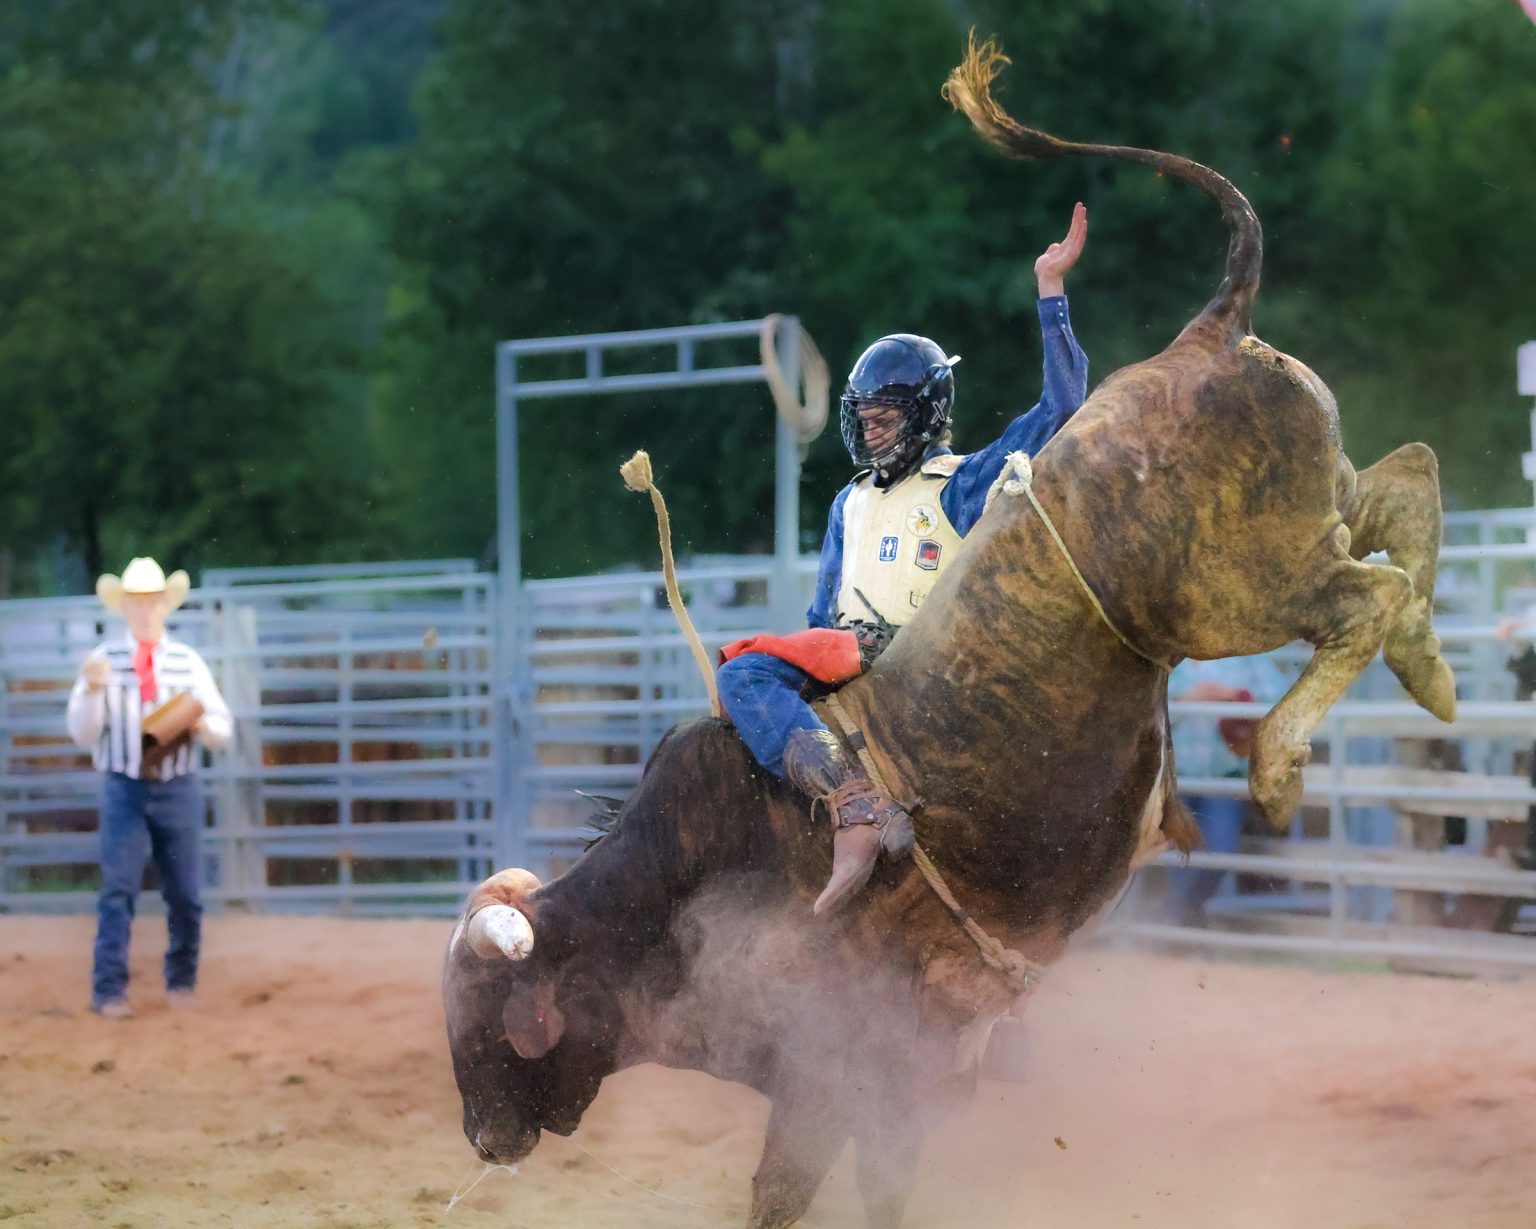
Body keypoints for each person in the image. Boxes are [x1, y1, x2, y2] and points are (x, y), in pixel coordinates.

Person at [717, 203, 1091, 914]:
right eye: (862, 414)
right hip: (847, 654)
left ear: (922, 413)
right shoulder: (848, 501)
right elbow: (820, 614)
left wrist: (1051, 292)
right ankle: (850, 805)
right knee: (745, 676)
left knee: (748, 673)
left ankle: (858, 812)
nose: (868, 426)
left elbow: (1062, 406)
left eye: (883, 414)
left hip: (930, 657)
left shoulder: (960, 482)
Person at [67, 557, 233, 1019]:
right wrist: (93, 691)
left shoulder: (187, 661)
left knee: (185, 893)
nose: (144, 610)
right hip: (124, 786)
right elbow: (81, 733)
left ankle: (181, 981)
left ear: (164, 604)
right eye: (136, 602)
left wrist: (201, 726)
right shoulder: (101, 661)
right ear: (125, 607)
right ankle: (109, 991)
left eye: (151, 602)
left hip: (177, 785)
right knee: (117, 889)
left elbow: (223, 726)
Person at [1164, 653, 1292, 927]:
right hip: (1177, 778)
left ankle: (1180, 915)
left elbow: (1279, 697)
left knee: (1218, 854)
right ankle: (1186, 926)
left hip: (1223, 774)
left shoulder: (1244, 655)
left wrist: (1233, 695)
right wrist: (1188, 700)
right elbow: (1146, 710)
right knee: (1178, 857)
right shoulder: (1171, 656)